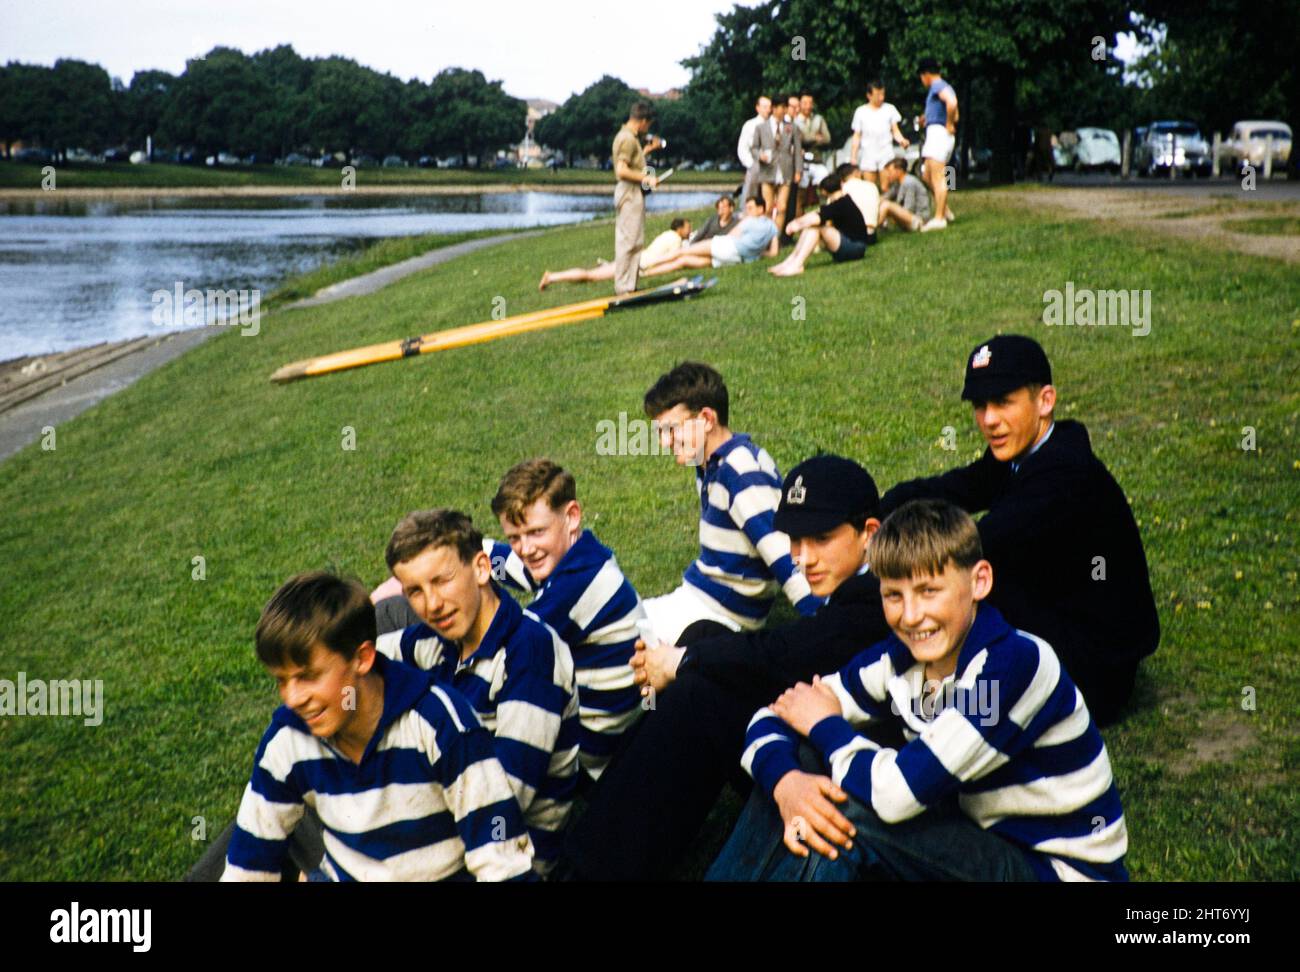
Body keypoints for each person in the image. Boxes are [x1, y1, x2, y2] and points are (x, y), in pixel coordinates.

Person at [707, 499, 1130, 882]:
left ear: (979, 581)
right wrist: (786, 783)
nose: (911, 616)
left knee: (848, 807)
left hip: (1054, 872)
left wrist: (826, 726)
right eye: (893, 595)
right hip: (978, 844)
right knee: (806, 774)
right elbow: (771, 715)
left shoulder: (1015, 665)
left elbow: (896, 796)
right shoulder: (900, 659)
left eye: (929, 591)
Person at [562, 455, 893, 881]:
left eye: (821, 539)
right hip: (815, 714)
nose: (802, 558)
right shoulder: (861, 582)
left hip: (848, 761)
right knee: (703, 634)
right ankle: (618, 803)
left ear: (869, 533)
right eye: (794, 540)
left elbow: (784, 653)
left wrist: (682, 662)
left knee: (698, 694)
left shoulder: (884, 594)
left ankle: (595, 865)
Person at [878, 335, 1159, 725]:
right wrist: (878, 509)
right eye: (980, 405)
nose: (989, 419)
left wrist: (881, 568)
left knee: (955, 585)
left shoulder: (1064, 475)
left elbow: (974, 546)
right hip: (1062, 626)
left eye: (1003, 402)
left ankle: (904, 692)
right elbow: (960, 486)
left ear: (1045, 401)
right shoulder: (1029, 450)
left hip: (1094, 676)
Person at [221, 572, 536, 882]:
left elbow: (502, 861)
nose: (292, 699)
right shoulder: (288, 738)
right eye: (281, 680)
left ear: (363, 658)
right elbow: (248, 865)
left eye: (308, 677)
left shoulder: (437, 722)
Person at [376, 508, 583, 875]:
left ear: (483, 568)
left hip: (504, 857)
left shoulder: (530, 655)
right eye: (415, 591)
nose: (432, 604)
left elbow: (505, 801)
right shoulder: (441, 640)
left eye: (442, 581)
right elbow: (362, 661)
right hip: (448, 830)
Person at [484, 458, 646, 781]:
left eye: (536, 532)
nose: (525, 549)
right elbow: (513, 565)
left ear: (572, 516)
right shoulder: (582, 556)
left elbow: (504, 652)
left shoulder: (577, 585)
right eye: (515, 537)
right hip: (602, 728)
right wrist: (468, 549)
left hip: (588, 753)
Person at [638, 362, 818, 648]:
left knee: (616, 639)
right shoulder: (711, 465)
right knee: (616, 619)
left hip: (718, 617)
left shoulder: (741, 472)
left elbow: (782, 552)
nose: (664, 442)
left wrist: (823, 622)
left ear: (707, 419)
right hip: (698, 597)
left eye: (671, 430)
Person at [768, 169, 876, 276]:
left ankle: (797, 264)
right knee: (813, 227)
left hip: (855, 248)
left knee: (817, 228)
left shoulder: (841, 204)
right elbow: (817, 213)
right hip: (852, 246)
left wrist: (797, 224)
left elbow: (816, 218)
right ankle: (790, 262)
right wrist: (797, 222)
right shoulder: (841, 202)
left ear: (824, 192)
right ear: (841, 185)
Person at [638, 195, 779, 275]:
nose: (747, 211)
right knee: (683, 262)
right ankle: (647, 274)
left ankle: (646, 265)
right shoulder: (773, 227)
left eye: (750, 208)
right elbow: (773, 253)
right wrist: (757, 252)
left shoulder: (749, 221)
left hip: (726, 246)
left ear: (761, 209)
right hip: (735, 259)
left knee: (681, 253)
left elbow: (732, 235)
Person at [537, 217, 690, 290]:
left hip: (635, 260)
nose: (689, 230)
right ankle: (551, 277)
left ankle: (552, 277)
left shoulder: (667, 234)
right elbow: (671, 260)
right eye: (688, 227)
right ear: (680, 229)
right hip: (635, 264)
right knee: (590, 276)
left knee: (591, 275)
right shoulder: (676, 240)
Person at [611, 100, 662, 293]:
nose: (647, 128)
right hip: (629, 191)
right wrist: (647, 179)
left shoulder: (630, 138)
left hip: (633, 192)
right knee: (628, 241)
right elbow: (622, 170)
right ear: (642, 121)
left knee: (635, 240)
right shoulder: (627, 139)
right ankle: (623, 287)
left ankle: (629, 284)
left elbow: (632, 162)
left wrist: (647, 151)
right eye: (648, 124)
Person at [915, 58, 958, 231]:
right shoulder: (943, 87)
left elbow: (952, 104)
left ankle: (939, 218)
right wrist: (927, 118)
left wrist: (948, 123)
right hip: (935, 132)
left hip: (939, 134)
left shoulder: (938, 86)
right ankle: (944, 209)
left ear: (925, 75)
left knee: (938, 176)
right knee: (926, 175)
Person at [751, 95, 802, 237]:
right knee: (767, 207)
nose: (784, 110)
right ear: (774, 108)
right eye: (781, 107)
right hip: (767, 170)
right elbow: (754, 147)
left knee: (782, 207)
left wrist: (798, 170)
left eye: (786, 107)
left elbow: (797, 150)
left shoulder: (792, 128)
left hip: (786, 170)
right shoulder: (761, 127)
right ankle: (766, 237)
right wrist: (759, 155)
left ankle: (776, 238)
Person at [849, 80, 910, 185]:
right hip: (868, 153)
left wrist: (901, 140)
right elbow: (857, 136)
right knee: (869, 186)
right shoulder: (860, 112)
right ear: (869, 95)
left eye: (883, 94)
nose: (881, 97)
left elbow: (895, 130)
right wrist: (853, 157)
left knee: (886, 186)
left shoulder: (890, 109)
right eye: (877, 95)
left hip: (885, 152)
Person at [795, 93, 832, 217]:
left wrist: (806, 138)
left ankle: (825, 215)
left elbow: (827, 138)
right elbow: (798, 140)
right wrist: (814, 137)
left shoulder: (818, 119)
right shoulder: (794, 121)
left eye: (810, 103)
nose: (808, 106)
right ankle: (799, 219)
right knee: (800, 193)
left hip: (817, 160)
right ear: (799, 104)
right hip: (801, 161)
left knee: (826, 185)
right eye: (805, 103)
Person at [877, 156, 932, 231]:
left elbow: (909, 209)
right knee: (881, 202)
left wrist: (893, 212)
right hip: (909, 218)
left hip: (919, 220)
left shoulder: (909, 183)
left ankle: (873, 229)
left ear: (899, 171)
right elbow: (884, 197)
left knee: (887, 205)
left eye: (890, 171)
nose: (888, 175)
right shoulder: (897, 183)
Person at [738, 96, 771, 204]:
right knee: (751, 198)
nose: (768, 110)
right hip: (755, 165)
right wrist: (751, 164)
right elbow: (742, 148)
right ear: (758, 108)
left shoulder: (774, 124)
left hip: (772, 167)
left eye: (769, 107)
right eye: (765, 107)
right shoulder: (750, 125)